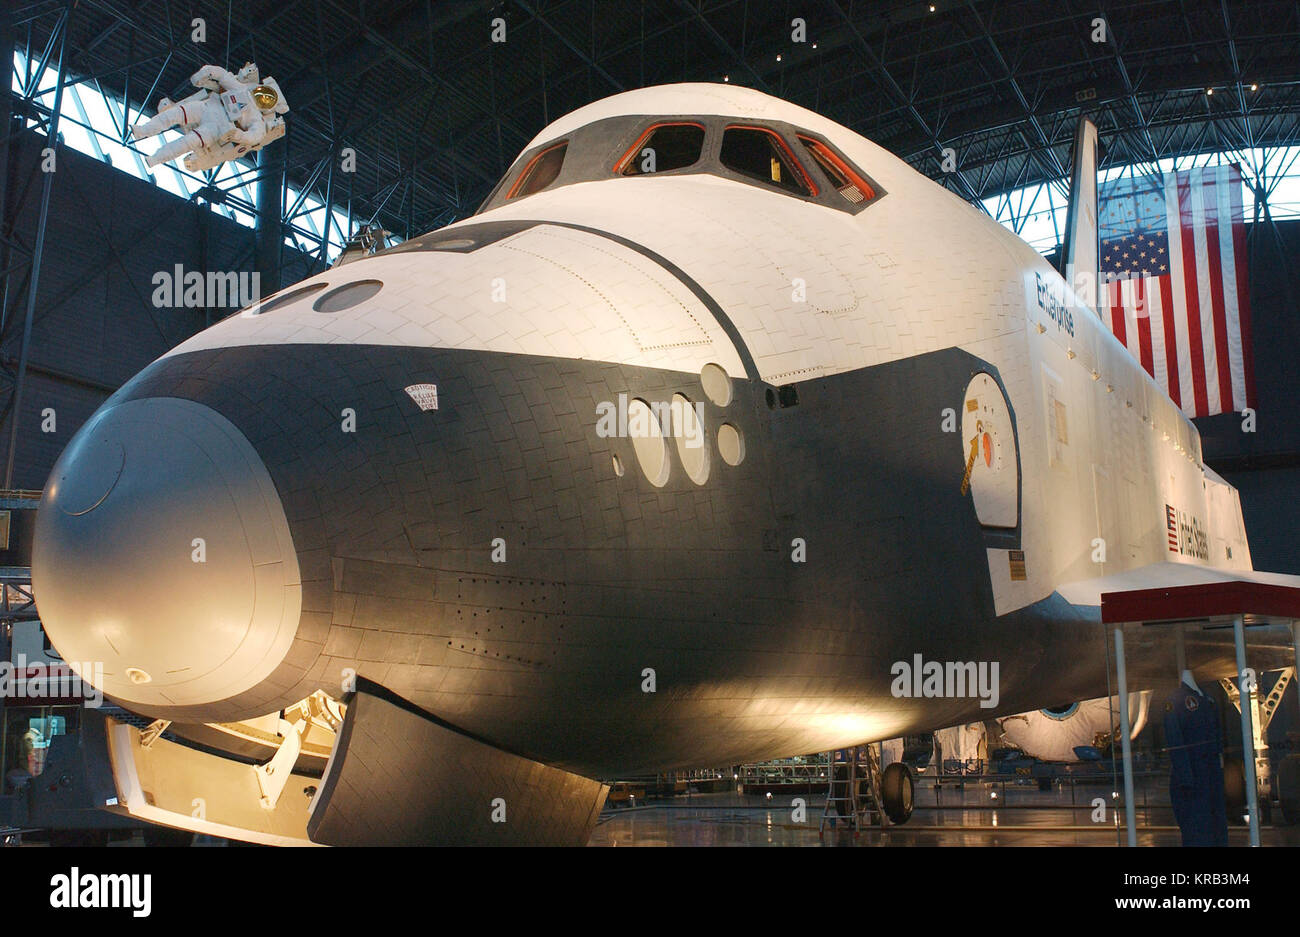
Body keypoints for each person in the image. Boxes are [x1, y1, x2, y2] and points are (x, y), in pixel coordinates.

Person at [132, 62, 289, 172]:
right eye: (264, 94)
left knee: (186, 142)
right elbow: (221, 74)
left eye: (267, 99)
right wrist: (204, 73)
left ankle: (156, 158)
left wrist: (238, 135)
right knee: (173, 114)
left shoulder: (257, 118)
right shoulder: (241, 88)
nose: (262, 97)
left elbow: (255, 137)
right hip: (208, 108)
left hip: (216, 128)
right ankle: (142, 130)